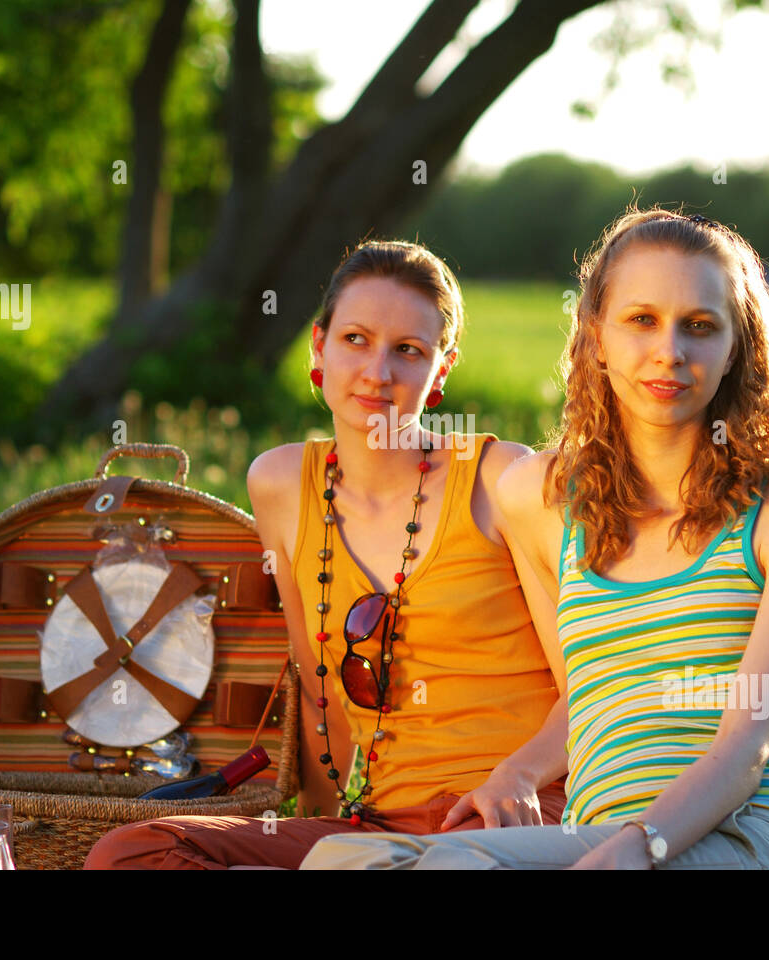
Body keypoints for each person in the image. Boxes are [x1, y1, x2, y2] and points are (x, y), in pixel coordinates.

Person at [299, 208, 769, 870]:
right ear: (596, 336)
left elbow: (749, 746)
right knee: (340, 859)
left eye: (699, 327)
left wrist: (639, 848)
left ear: (736, 347)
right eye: (641, 320)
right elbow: (576, 693)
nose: (669, 351)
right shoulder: (543, 500)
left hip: (743, 833)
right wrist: (517, 773)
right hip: (591, 835)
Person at [84, 240, 569, 869]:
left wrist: (520, 777)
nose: (377, 372)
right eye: (356, 340)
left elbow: (588, 681)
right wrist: (325, 831)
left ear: (441, 370)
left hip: (508, 818)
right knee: (133, 851)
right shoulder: (282, 484)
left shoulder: (499, 478)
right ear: (319, 347)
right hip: (378, 831)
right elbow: (321, 698)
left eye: (409, 351)